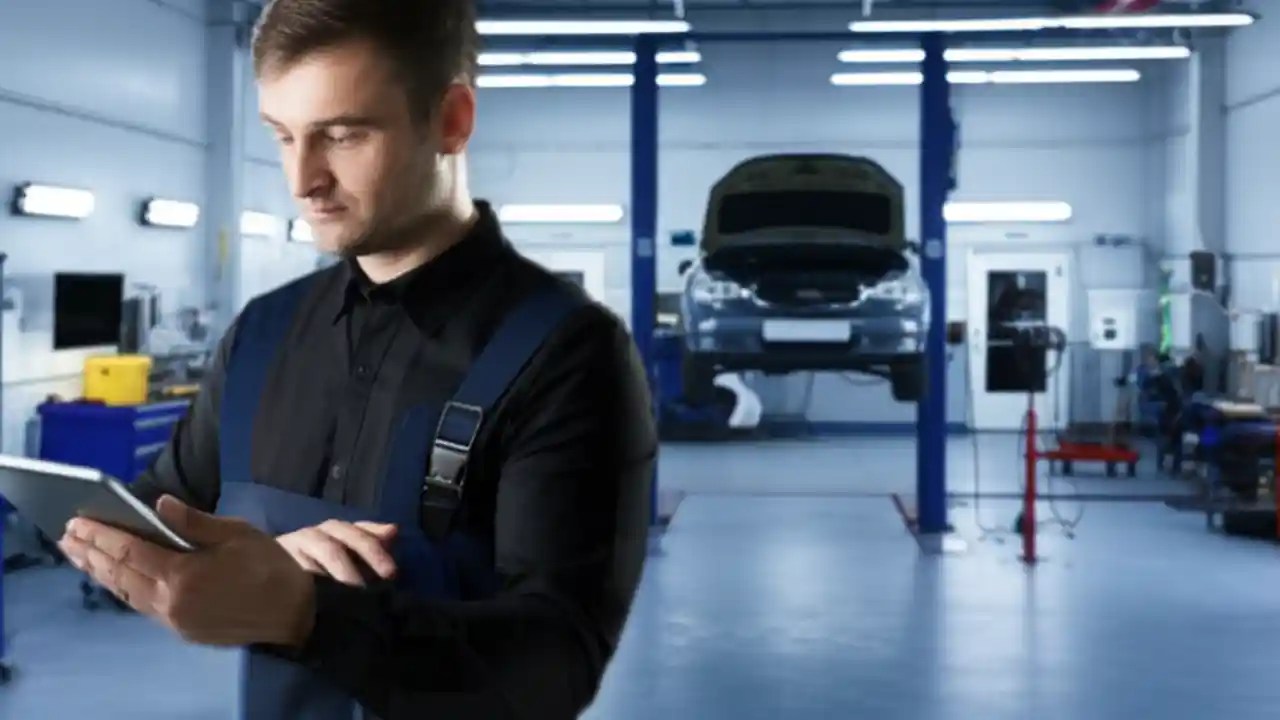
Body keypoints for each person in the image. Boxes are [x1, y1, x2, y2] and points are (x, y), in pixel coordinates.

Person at [56, 0, 657, 718]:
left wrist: (303, 610)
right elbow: (149, 517)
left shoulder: (568, 353)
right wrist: (189, 551)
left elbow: (554, 664)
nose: (301, 180)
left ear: (452, 120)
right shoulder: (260, 335)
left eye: (341, 136)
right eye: (283, 137)